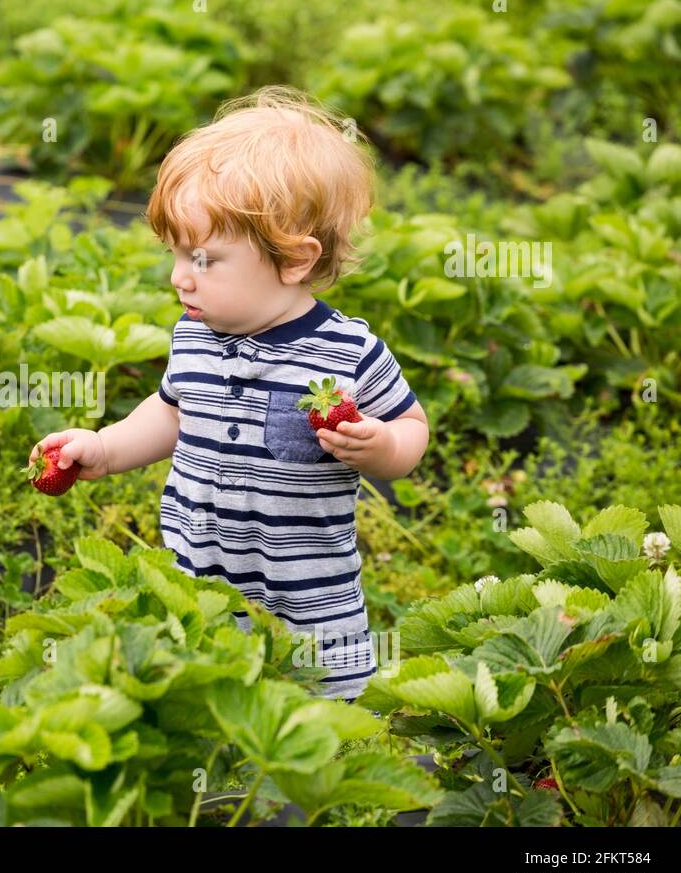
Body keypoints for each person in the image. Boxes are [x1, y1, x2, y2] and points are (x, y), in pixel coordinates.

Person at [29, 87, 429, 702]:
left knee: (324, 707)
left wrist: (380, 448)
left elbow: (412, 427)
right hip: (200, 575)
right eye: (175, 255)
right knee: (205, 693)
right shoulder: (194, 334)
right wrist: (105, 449)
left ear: (294, 261)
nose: (178, 276)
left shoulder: (346, 353)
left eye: (204, 259)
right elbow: (170, 409)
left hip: (305, 590)